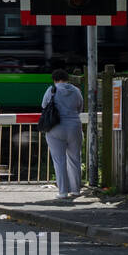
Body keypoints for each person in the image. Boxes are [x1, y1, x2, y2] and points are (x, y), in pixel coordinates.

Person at [41, 69, 84, 201]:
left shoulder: (52, 90)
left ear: (54, 79)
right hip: (74, 127)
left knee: (59, 161)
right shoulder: (76, 91)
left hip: (56, 128)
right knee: (75, 159)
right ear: (67, 78)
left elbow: (44, 106)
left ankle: (63, 191)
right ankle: (76, 190)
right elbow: (80, 108)